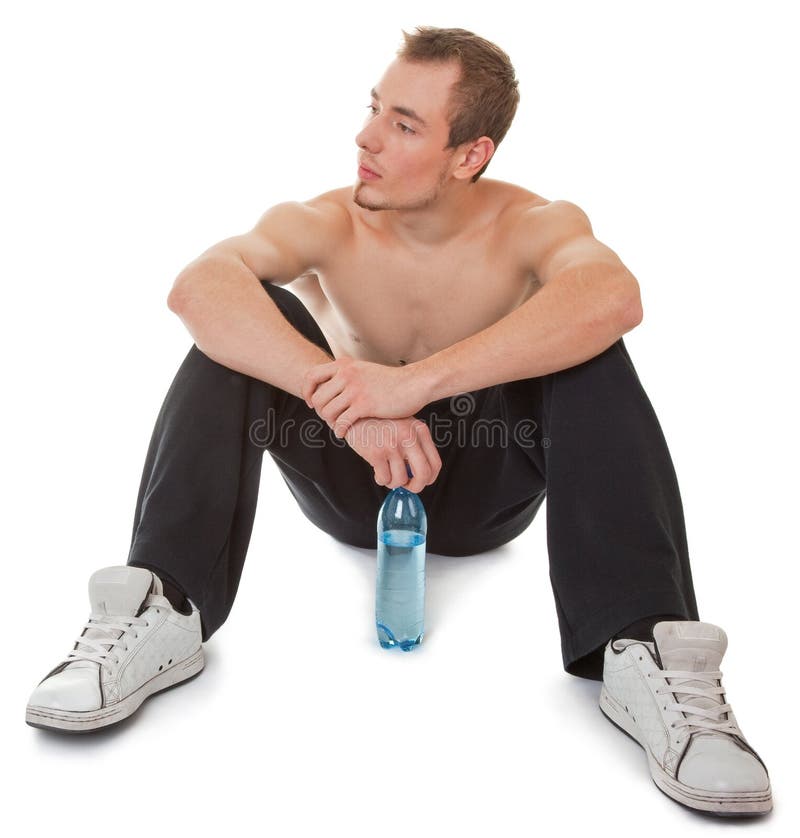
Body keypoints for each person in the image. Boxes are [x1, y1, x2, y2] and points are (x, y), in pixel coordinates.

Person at [26, 25, 771, 816]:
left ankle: (648, 643)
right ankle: (161, 605)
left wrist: (410, 385)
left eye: (405, 125)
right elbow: (199, 287)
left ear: (470, 156)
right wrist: (348, 406)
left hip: (486, 486)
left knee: (583, 342)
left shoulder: (534, 223)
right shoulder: (326, 220)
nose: (366, 137)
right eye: (376, 109)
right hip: (347, 476)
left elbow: (613, 297)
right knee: (247, 318)